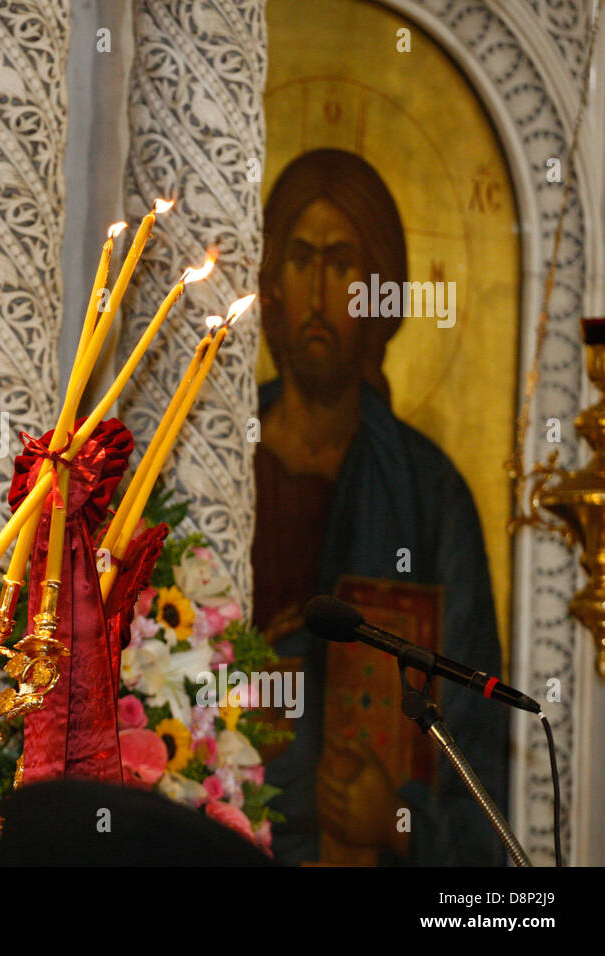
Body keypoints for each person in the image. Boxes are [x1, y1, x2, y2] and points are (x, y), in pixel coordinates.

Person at [251, 149, 509, 865]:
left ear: (381, 292)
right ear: (271, 281)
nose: (317, 293)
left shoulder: (431, 499)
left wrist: (396, 821)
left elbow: (477, 761)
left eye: (342, 264)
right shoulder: (221, 461)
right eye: (300, 260)